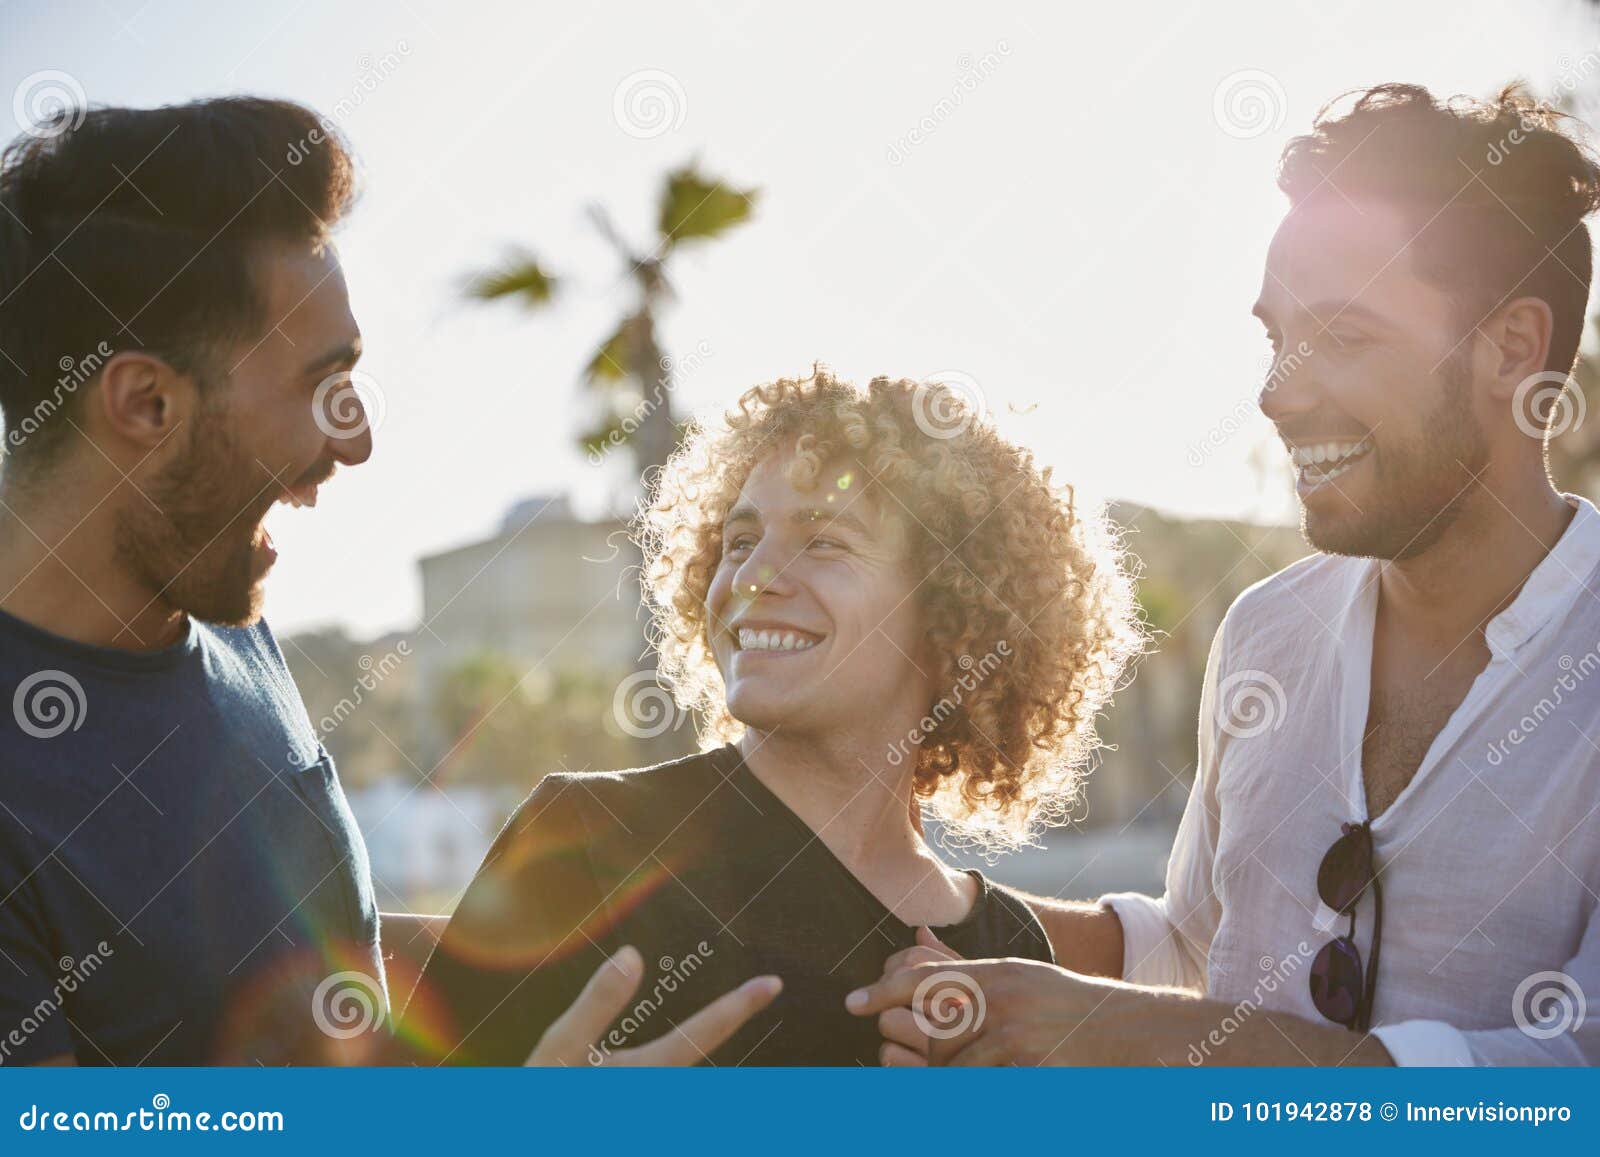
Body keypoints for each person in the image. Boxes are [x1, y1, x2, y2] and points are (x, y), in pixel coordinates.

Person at [0, 97, 773, 1066]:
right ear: (145, 401)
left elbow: (286, 968)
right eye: (323, 383)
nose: (356, 439)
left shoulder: (224, 617)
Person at [850, 83, 1600, 1067]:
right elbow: (1199, 947)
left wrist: (1140, 1035)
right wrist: (922, 903)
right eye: (1274, 336)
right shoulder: (1268, 632)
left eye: (1342, 335)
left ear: (1513, 349)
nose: (1277, 392)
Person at [402, 368, 1146, 1065]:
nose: (753, 577)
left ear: (956, 611)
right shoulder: (581, 834)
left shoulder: (1010, 950)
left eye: (823, 541)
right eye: (740, 540)